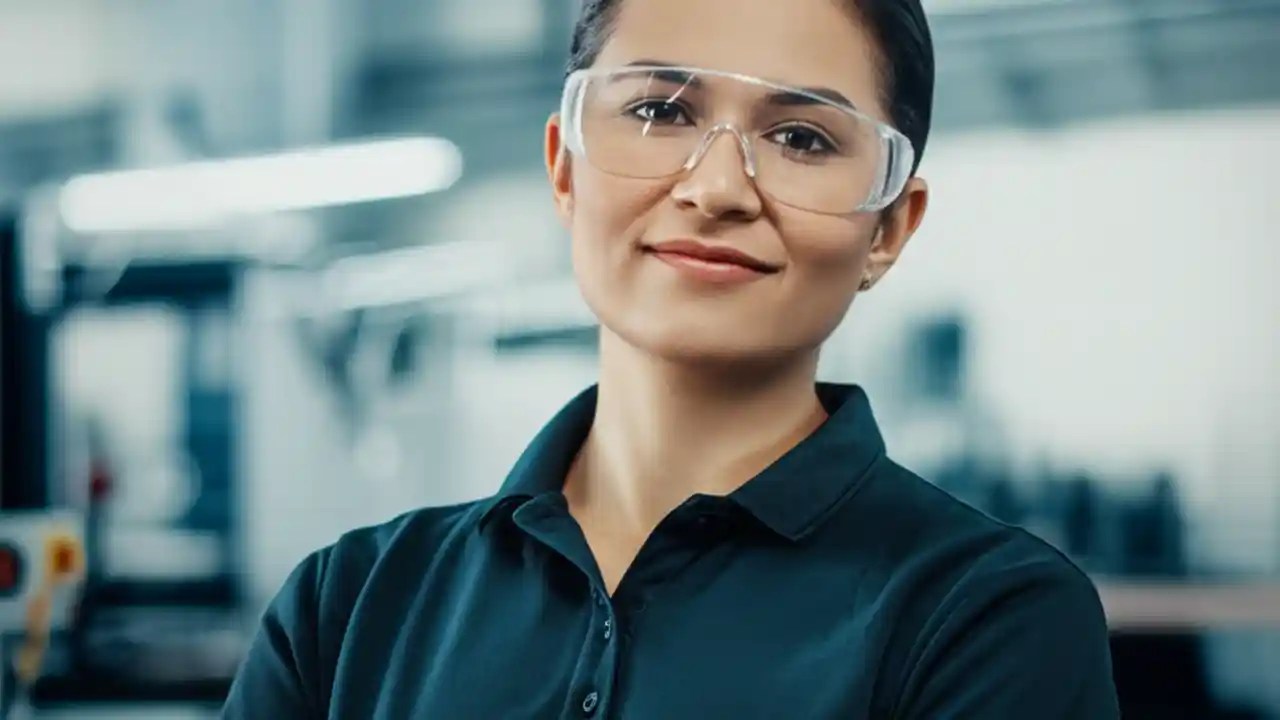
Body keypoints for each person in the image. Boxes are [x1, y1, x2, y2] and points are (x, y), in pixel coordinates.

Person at [223, 0, 1120, 717]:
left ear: (887, 228)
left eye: (802, 138)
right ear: (565, 170)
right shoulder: (346, 611)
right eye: (659, 111)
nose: (718, 188)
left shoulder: (988, 622)